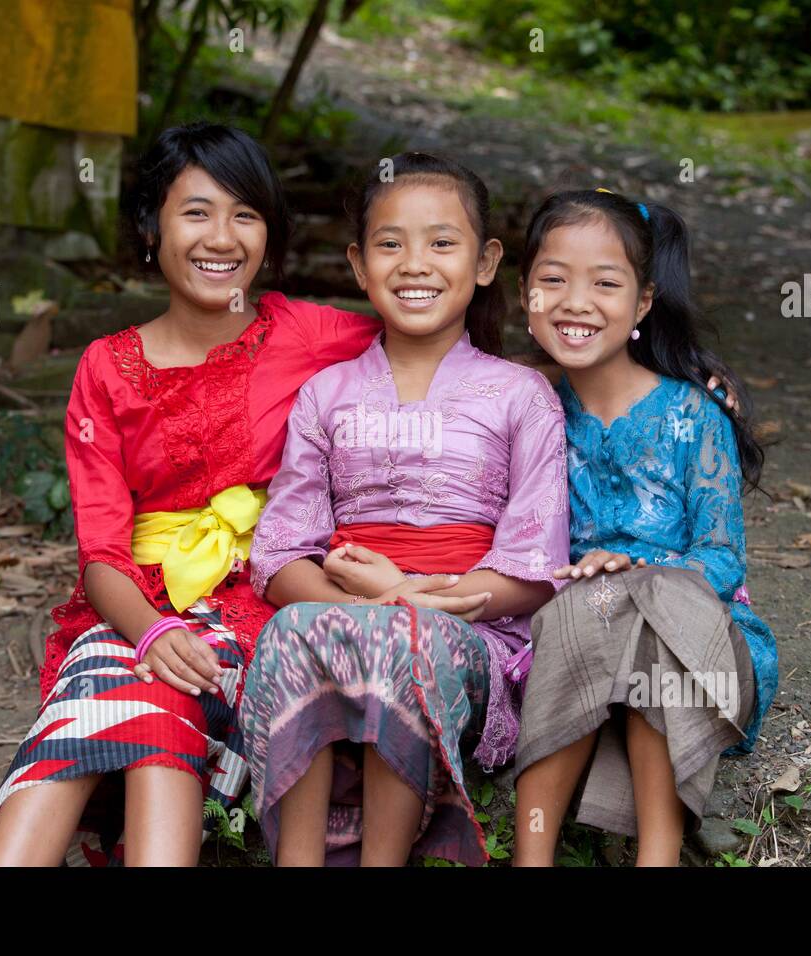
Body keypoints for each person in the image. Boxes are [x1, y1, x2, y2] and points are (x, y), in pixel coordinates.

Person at [0, 122, 383, 866]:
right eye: (196, 212)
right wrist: (151, 631)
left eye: (245, 215)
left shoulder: (311, 334)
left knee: (162, 699)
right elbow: (100, 552)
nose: (223, 238)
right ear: (150, 227)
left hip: (260, 606)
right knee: (107, 679)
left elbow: (428, 338)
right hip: (135, 609)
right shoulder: (107, 367)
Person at [239, 153, 570, 867]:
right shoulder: (327, 395)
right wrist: (384, 595)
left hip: (471, 632)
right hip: (344, 605)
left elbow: (536, 570)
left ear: (484, 262)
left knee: (403, 639)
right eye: (391, 244)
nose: (414, 263)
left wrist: (417, 604)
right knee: (291, 630)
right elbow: (278, 555)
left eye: (441, 243)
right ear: (359, 265)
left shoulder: (521, 396)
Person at [512, 187, 778, 867]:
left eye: (605, 283)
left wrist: (641, 576)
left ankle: (655, 858)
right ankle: (529, 857)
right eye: (553, 280)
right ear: (525, 294)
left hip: (699, 637)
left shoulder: (692, 415)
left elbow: (722, 559)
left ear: (643, 303)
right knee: (589, 605)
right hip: (575, 634)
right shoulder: (526, 408)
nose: (575, 301)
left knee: (646, 612)